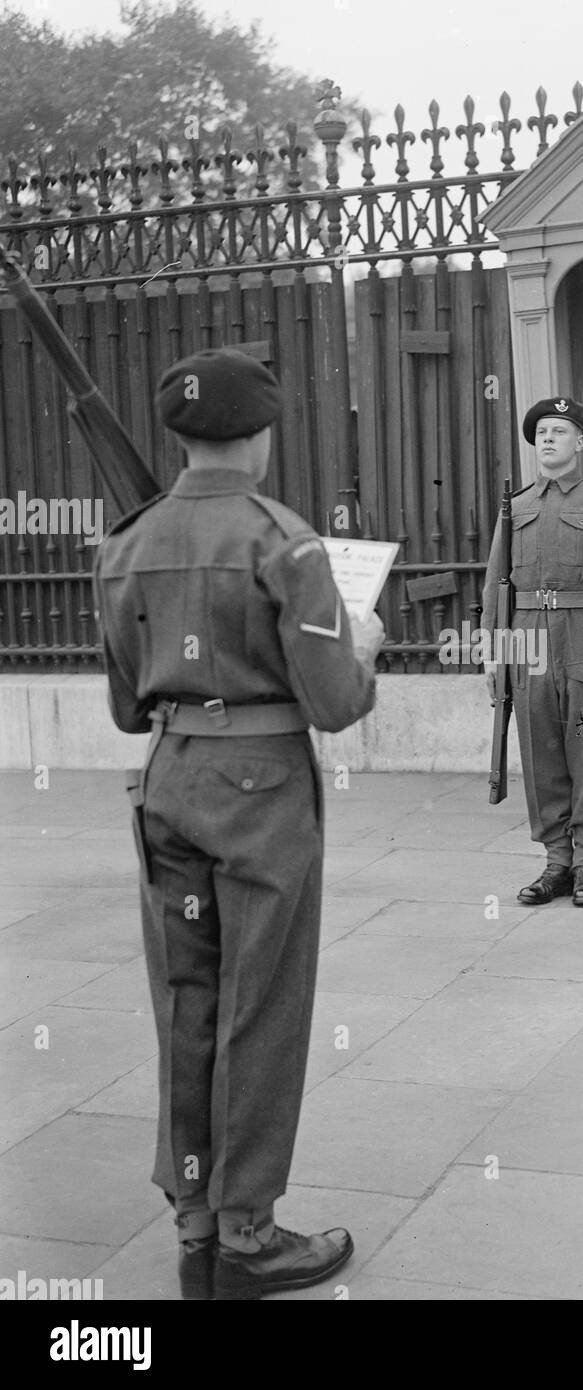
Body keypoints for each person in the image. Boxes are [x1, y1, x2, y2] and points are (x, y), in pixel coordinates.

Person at [93, 347, 384, 1300]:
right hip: (260, 787)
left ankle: (193, 1215)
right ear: (260, 436)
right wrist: (365, 643)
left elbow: (128, 708)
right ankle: (248, 1233)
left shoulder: (127, 542)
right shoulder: (285, 543)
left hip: (170, 776)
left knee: (188, 1003)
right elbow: (336, 702)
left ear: (178, 435)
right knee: (262, 1005)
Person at [481, 396, 583, 907]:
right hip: (526, 639)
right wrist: (492, 651)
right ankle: (557, 862)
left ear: (580, 442)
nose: (548, 438)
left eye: (560, 430)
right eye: (542, 431)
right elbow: (494, 586)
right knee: (541, 751)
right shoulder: (516, 506)